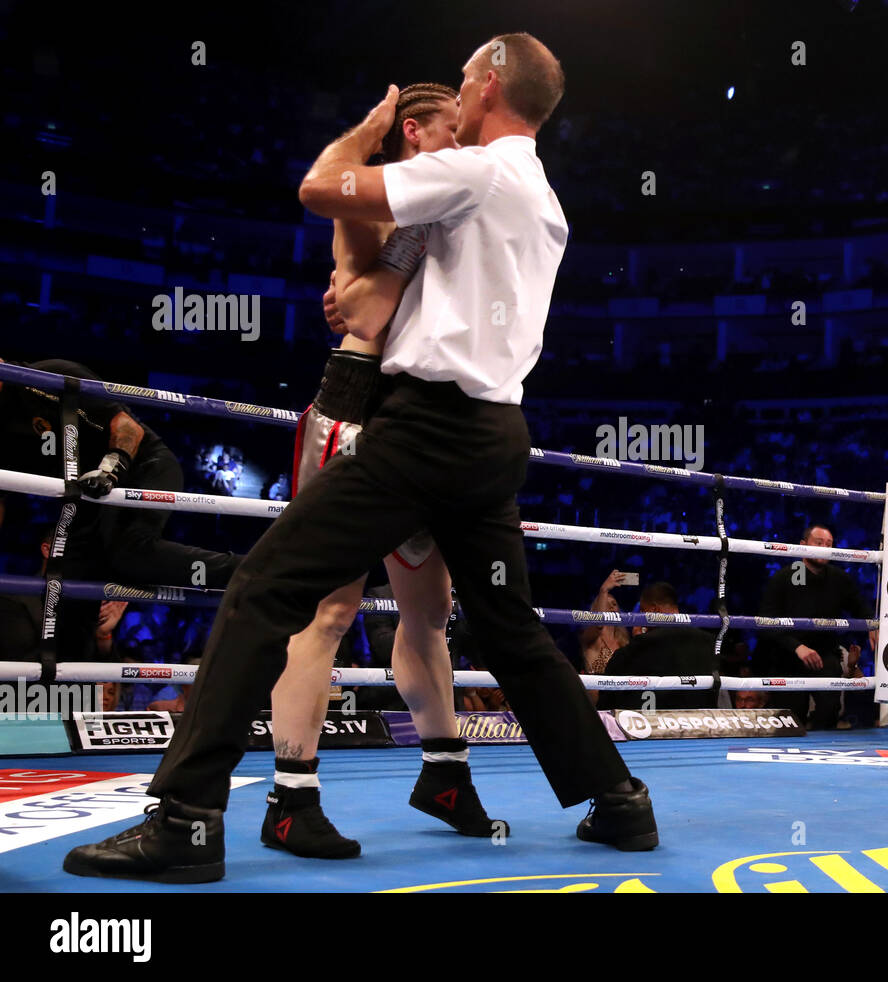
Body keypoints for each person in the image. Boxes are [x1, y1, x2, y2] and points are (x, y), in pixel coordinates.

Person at [65, 34, 656, 884]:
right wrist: (361, 288)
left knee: (266, 589)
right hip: (493, 437)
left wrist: (367, 125)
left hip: (423, 432)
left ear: (490, 85)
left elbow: (315, 187)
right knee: (506, 628)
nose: (456, 96)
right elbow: (367, 299)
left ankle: (188, 820)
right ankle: (620, 799)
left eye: (464, 81)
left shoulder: (475, 172)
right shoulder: (537, 193)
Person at [262, 82, 503, 862]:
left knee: (429, 614)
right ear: (412, 130)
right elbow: (363, 311)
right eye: (453, 134)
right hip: (354, 410)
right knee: (330, 612)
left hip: (420, 424)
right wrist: (404, 234)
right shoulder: (380, 206)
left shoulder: (460, 205)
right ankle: (291, 797)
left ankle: (445, 773)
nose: (468, 149)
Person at [0, 357, 242, 660]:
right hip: (86, 494)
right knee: (69, 587)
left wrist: (112, 465)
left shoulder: (45, 377)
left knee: (129, 548)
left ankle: (247, 570)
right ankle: (71, 697)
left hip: (140, 464)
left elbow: (128, 426)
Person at [754, 523, 872, 729]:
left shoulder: (839, 579)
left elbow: (860, 605)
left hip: (825, 656)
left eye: (829, 544)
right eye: (819, 543)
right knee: (789, 720)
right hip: (787, 658)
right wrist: (796, 647)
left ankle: (824, 755)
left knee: (829, 711)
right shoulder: (783, 578)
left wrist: (873, 625)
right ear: (802, 545)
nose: (824, 548)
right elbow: (766, 622)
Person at [597, 582, 717, 711]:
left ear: (654, 610)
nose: (640, 617)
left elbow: (610, 689)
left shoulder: (647, 642)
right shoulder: (707, 640)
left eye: (643, 610)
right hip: (699, 723)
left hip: (655, 724)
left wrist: (637, 640)